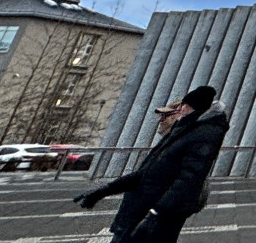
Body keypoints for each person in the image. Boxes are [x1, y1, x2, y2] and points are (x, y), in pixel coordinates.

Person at [73, 85, 229, 242]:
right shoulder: (181, 133)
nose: (181, 109)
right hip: (138, 217)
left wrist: (155, 215)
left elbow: (188, 181)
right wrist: (104, 190)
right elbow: (147, 173)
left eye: (183, 106)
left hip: (151, 222)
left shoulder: (202, 135)